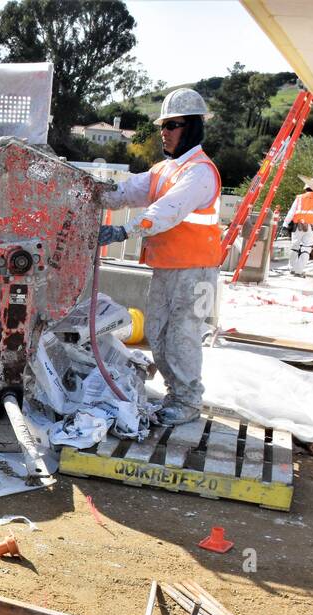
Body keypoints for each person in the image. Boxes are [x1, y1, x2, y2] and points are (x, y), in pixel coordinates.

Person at [97, 88, 223, 426]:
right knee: (158, 332)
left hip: (194, 271)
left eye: (173, 125)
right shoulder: (164, 170)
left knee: (182, 336)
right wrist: (90, 192)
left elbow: (166, 211)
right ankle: (175, 394)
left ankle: (187, 400)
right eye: (163, 126)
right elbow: (126, 192)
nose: (164, 133)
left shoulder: (199, 172)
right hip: (169, 268)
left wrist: (124, 231)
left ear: (193, 128)